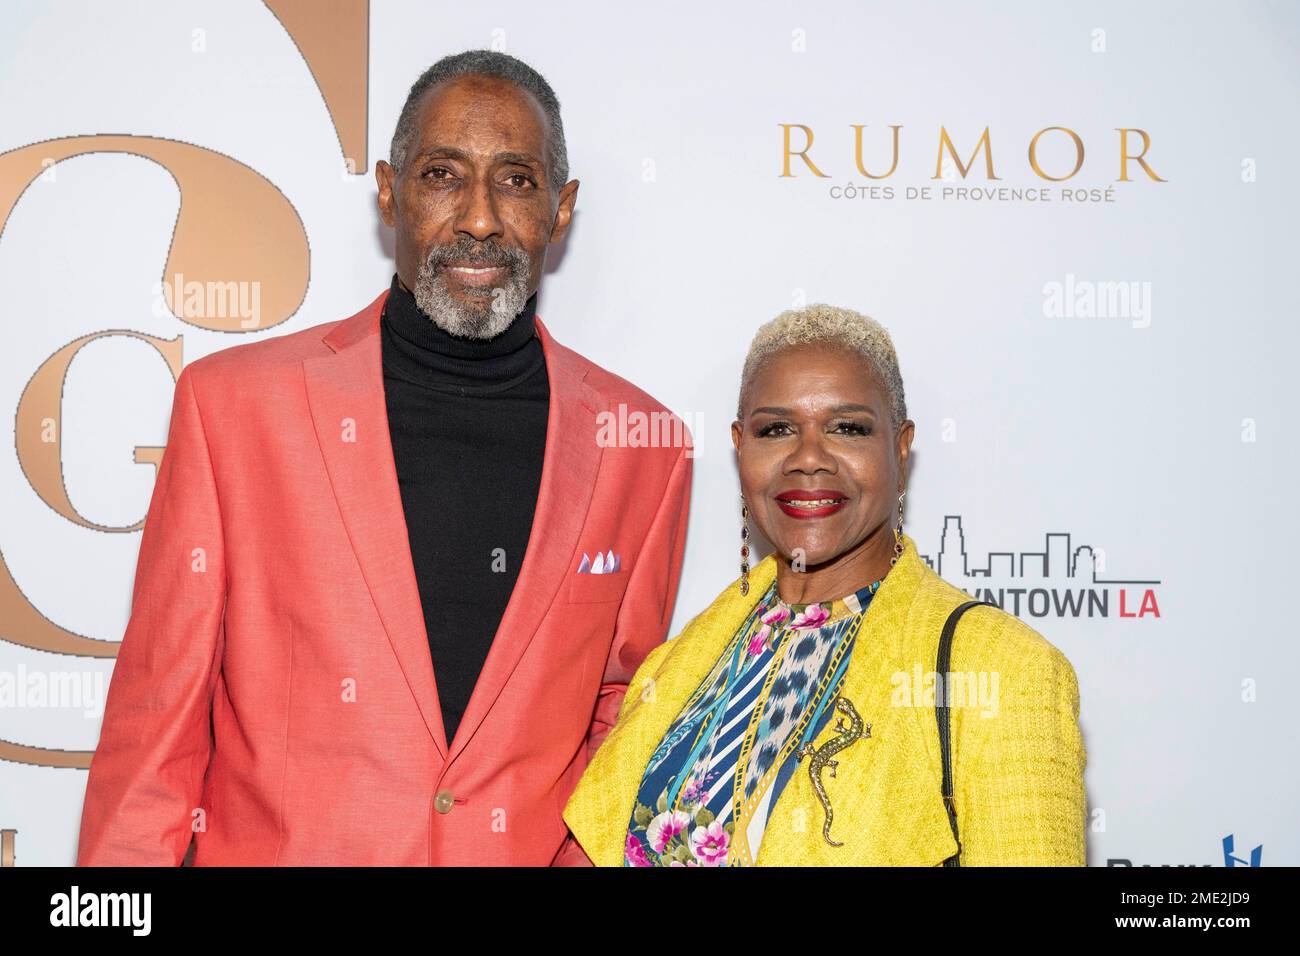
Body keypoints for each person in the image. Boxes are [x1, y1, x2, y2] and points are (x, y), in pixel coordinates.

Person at [77, 50, 691, 866]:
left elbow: (623, 722)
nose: (479, 219)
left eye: (516, 180)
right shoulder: (234, 410)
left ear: (561, 208)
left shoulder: (642, 447)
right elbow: (158, 721)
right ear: (390, 191)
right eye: (443, 175)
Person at [563, 304, 1087, 866]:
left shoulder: (1004, 672)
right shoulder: (678, 664)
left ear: (900, 447)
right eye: (777, 429)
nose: (808, 458)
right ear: (741, 447)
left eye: (847, 428)